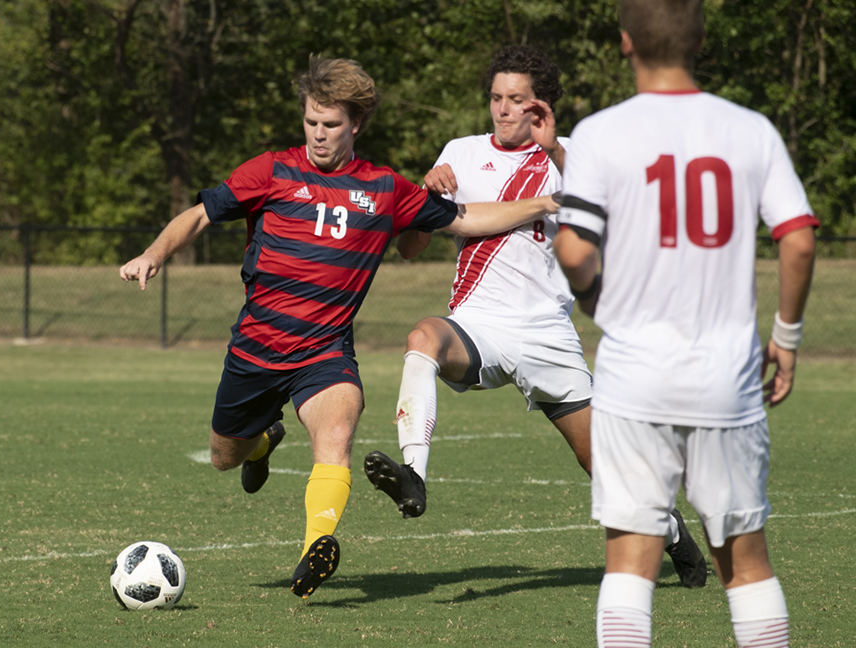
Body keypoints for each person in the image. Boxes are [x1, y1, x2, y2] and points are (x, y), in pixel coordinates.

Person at [120, 56, 560, 599]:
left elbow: (466, 218)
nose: (319, 135)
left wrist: (543, 201)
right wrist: (153, 253)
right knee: (223, 457)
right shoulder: (273, 171)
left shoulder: (384, 187)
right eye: (311, 122)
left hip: (324, 352)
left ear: (357, 125)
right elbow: (200, 214)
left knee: (338, 433)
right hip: (256, 349)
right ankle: (260, 444)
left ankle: (317, 546)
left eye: (331, 125)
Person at [361, 45, 708, 589]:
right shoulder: (462, 152)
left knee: (608, 471)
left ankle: (672, 535)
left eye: (516, 100)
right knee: (422, 335)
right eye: (496, 98)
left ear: (540, 106)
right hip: (477, 322)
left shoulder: (574, 154)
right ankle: (414, 477)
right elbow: (408, 249)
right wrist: (426, 195)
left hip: (547, 335)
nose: (502, 110)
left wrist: (558, 154)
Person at [553, 1, 818, 645]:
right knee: (746, 564)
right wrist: (784, 339)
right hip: (726, 375)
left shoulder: (600, 133)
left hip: (635, 376)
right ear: (700, 37)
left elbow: (573, 251)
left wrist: (595, 298)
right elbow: (800, 240)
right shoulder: (749, 128)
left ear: (623, 41)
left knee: (630, 563)